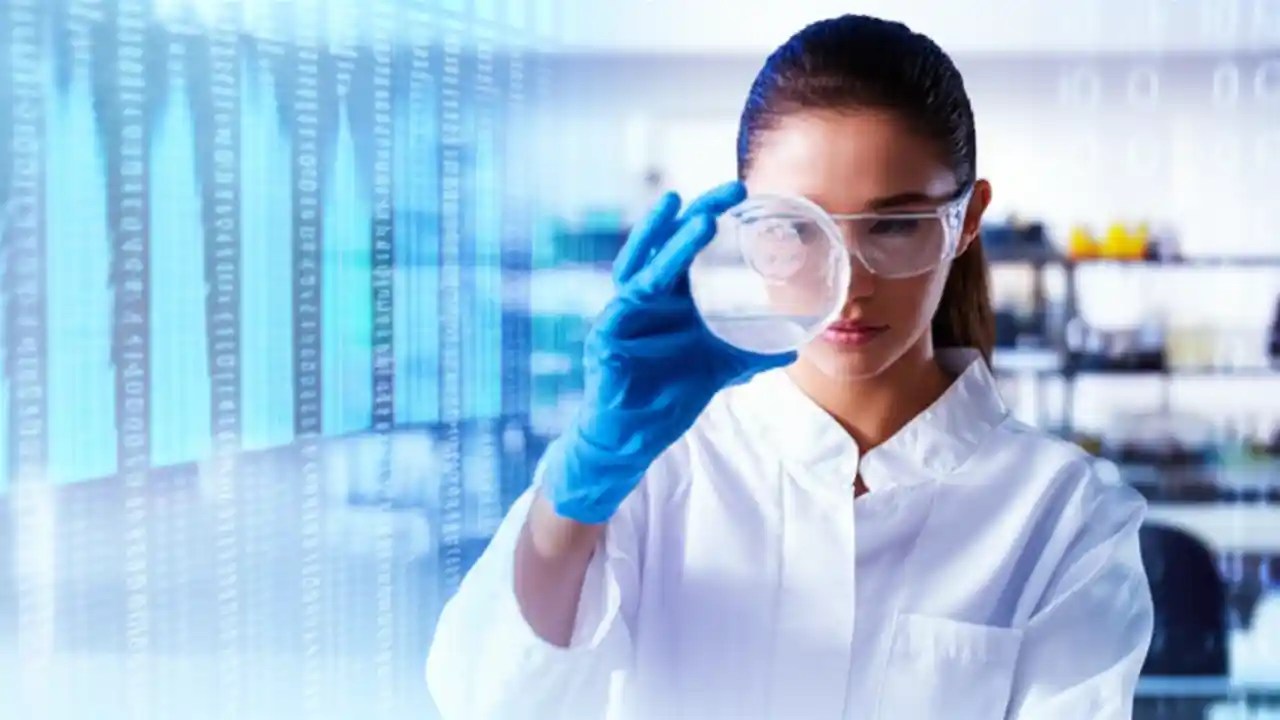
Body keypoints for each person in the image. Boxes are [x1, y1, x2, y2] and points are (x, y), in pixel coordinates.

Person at [427, 14, 1154, 720]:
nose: (848, 282)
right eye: (794, 228)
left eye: (895, 226)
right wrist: (574, 500)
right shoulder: (664, 465)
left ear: (966, 219)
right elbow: (483, 698)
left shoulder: (1066, 514)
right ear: (745, 223)